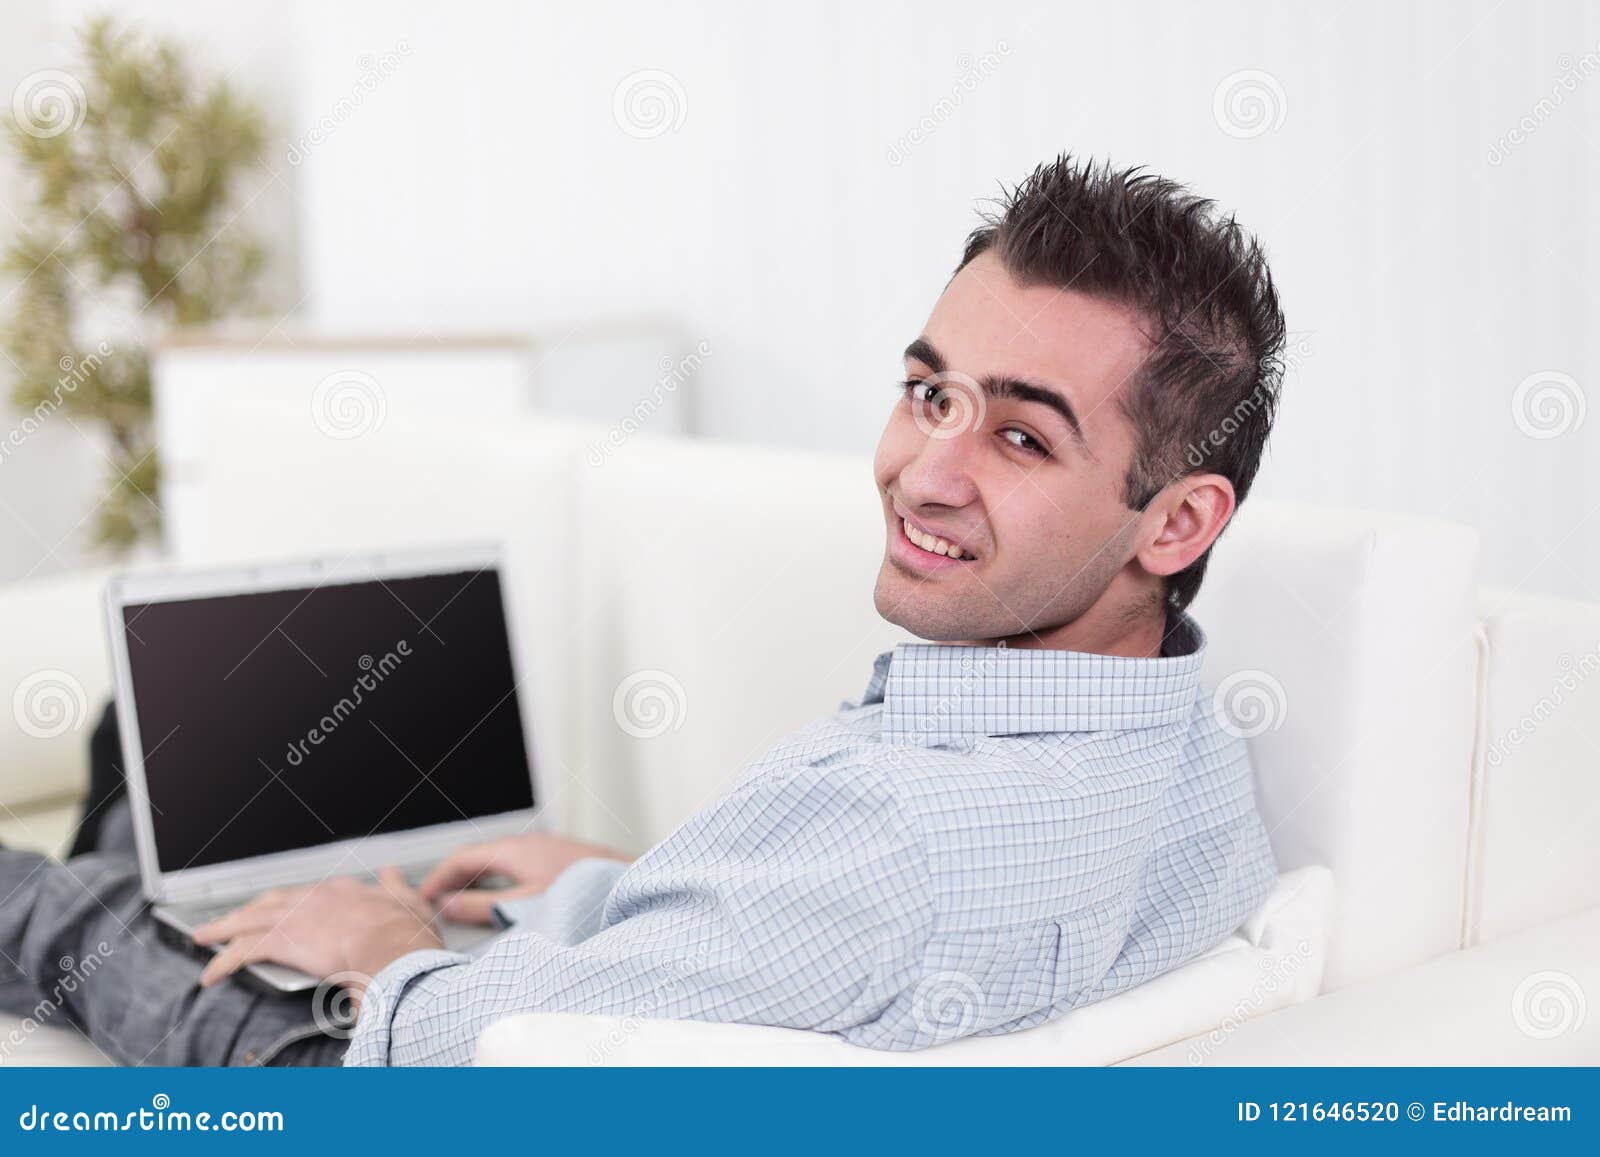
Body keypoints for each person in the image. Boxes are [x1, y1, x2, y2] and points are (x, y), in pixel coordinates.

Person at [0, 155, 1284, 1066]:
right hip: (593, 971)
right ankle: (159, 849)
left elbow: (469, 1046)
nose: (923, 470)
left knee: (64, 909)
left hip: (363, 1054)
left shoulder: (901, 836)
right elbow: (799, 946)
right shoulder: (1190, 759)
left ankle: (137, 881)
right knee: (140, 742)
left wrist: (390, 946)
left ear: (1177, 520)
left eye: (1018, 434)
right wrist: (622, 888)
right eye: (928, 391)